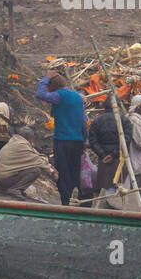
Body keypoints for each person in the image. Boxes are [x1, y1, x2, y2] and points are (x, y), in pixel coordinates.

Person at [36, 68, 87, 205]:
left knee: (63, 172)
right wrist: (84, 141)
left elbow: (40, 94)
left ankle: (66, 201)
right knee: (74, 171)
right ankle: (76, 199)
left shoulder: (59, 95)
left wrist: (46, 78)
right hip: (77, 141)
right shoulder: (77, 97)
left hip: (62, 140)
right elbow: (83, 122)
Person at [0, 126, 57, 201]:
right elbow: (38, 161)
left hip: (1, 178)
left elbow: (37, 156)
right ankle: (15, 190)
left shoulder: (16, 141)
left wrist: (46, 163)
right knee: (35, 170)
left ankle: (15, 189)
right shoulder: (22, 145)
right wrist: (52, 171)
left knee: (32, 167)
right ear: (30, 138)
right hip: (5, 179)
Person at [88, 97, 134, 197]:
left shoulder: (97, 121)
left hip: (104, 160)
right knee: (121, 189)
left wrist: (102, 154)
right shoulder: (124, 120)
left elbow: (92, 140)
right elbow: (126, 140)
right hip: (120, 160)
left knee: (105, 188)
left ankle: (103, 209)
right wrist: (114, 154)